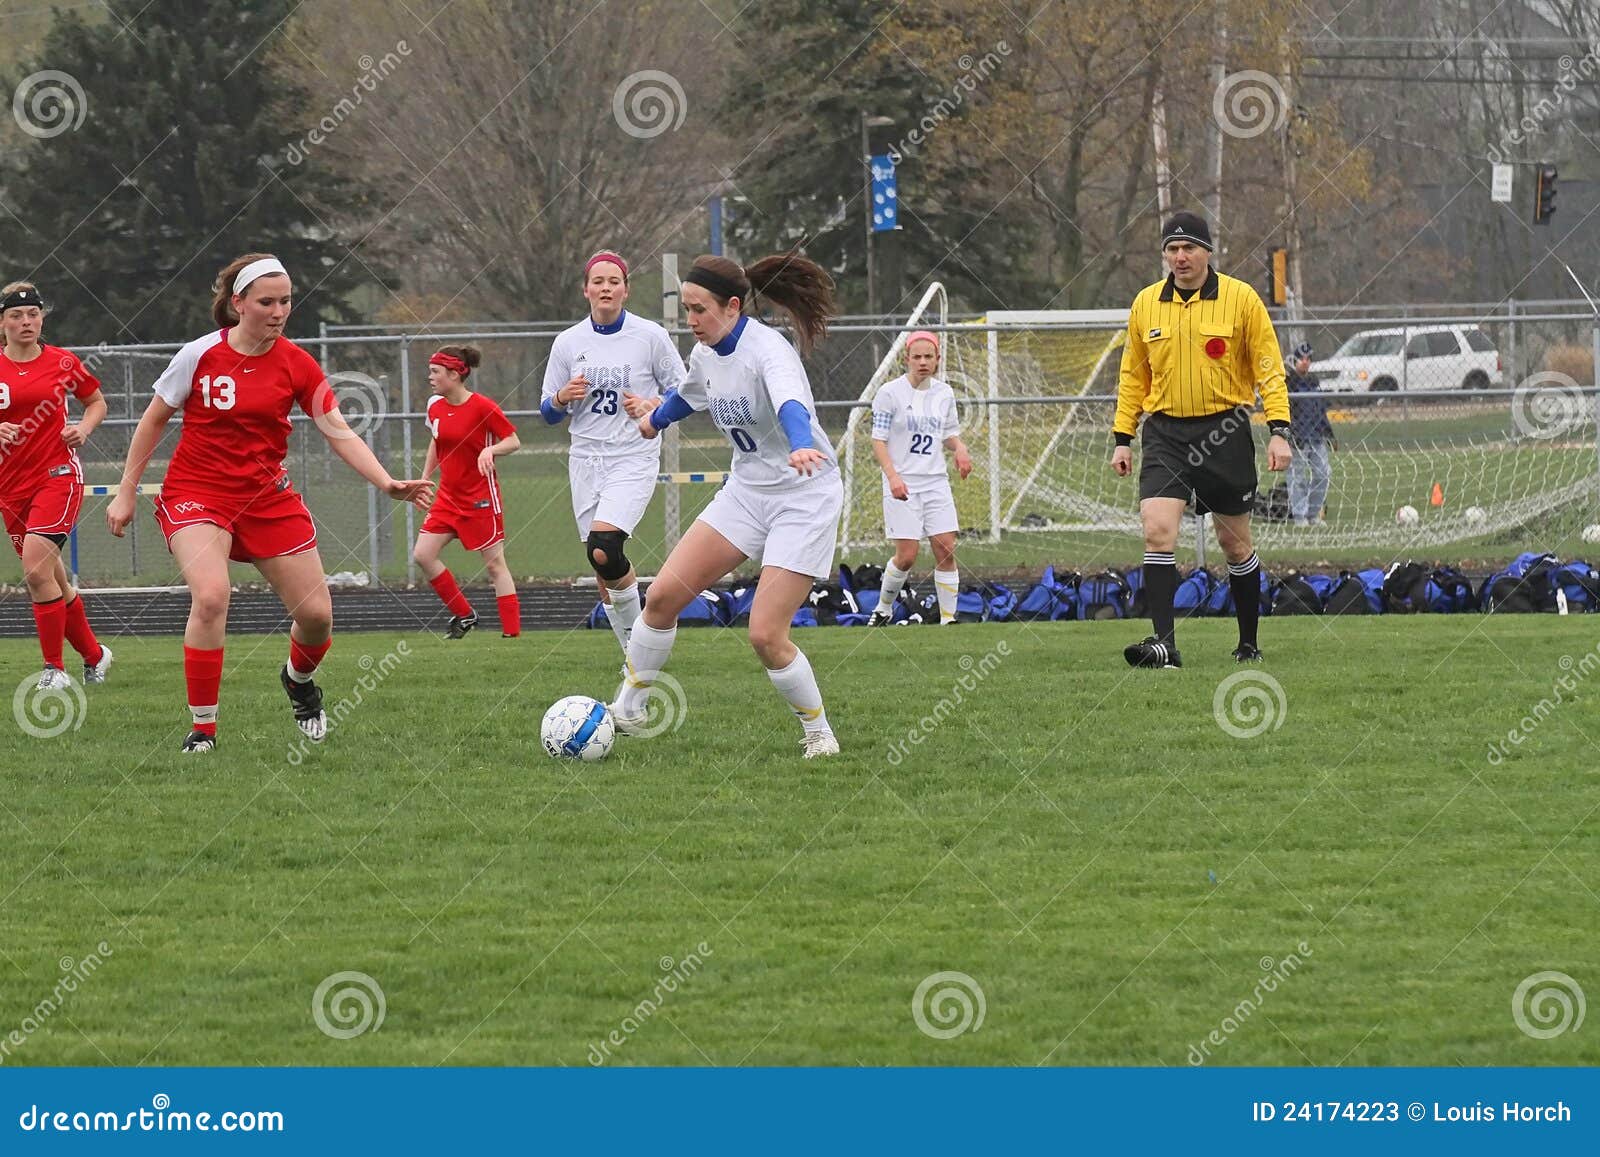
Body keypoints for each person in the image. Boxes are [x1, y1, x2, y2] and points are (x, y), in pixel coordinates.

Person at [106, 253, 431, 754]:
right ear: (238, 303)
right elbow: (152, 421)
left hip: (267, 498)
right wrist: (126, 491)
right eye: (266, 302)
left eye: (285, 301)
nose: (278, 312)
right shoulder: (198, 355)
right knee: (211, 596)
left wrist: (385, 481)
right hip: (197, 493)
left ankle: (298, 682)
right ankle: (203, 729)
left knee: (317, 617)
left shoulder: (297, 363)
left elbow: (337, 430)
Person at [609, 252, 842, 758]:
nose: (691, 320)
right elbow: (688, 395)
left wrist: (801, 443)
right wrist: (653, 421)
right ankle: (628, 708)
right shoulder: (705, 352)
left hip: (805, 494)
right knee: (662, 598)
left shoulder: (769, 350)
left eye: (700, 310)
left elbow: (791, 404)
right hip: (747, 491)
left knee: (765, 634)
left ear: (733, 307)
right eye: (686, 309)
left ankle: (819, 734)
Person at [1110, 211, 1291, 667]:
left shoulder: (1241, 299)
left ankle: (1248, 643)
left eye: (1189, 247)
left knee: (1235, 545)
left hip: (1224, 431)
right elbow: (1133, 376)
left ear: (1207, 251)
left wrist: (1279, 430)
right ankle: (1165, 647)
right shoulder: (1146, 304)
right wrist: (1122, 436)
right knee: (1157, 532)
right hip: (1165, 434)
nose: (1180, 256)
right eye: (1172, 249)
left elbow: (1269, 368)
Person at [540, 251, 684, 656]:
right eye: (598, 281)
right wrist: (561, 397)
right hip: (585, 459)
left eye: (614, 281)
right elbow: (547, 411)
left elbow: (684, 390)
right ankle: (632, 657)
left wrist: (653, 405)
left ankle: (641, 652)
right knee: (600, 561)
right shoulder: (568, 342)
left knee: (605, 546)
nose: (606, 288)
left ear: (626, 290)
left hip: (632, 454)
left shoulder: (650, 336)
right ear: (585, 290)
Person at [0, 282, 112, 689]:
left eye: (33, 314)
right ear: (3, 322)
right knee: (52, 579)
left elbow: (96, 402)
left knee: (34, 571)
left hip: (57, 476)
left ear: (42, 318)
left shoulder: (63, 362)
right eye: (16, 315)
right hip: (10, 486)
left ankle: (54, 669)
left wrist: (84, 428)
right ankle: (95, 656)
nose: (26, 321)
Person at [413, 345, 522, 638]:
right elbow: (436, 441)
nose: (430, 377)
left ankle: (512, 635)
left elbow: (513, 441)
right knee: (423, 554)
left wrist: (491, 450)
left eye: (435, 371)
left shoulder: (483, 407)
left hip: (480, 499)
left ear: (454, 374)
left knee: (495, 566)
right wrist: (424, 477)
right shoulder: (435, 405)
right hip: (448, 498)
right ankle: (465, 615)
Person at [865, 331, 972, 625]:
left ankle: (948, 619)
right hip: (902, 482)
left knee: (946, 547)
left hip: (936, 481)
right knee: (907, 556)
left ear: (938, 359)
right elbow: (878, 440)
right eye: (917, 357)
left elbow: (948, 433)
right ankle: (883, 609)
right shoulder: (889, 393)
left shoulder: (944, 393)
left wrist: (960, 448)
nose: (923, 362)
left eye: (928, 357)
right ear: (907, 359)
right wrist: (893, 477)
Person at [1285, 342, 1332, 527]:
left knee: (1323, 474)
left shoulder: (1314, 383)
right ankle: (1300, 515)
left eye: (1308, 359)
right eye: (1301, 359)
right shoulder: (1289, 384)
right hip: (1298, 438)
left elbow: (1320, 410)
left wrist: (1329, 433)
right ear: (1295, 360)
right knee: (1297, 477)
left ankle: (1313, 513)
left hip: (1316, 436)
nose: (1305, 362)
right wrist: (1291, 433)